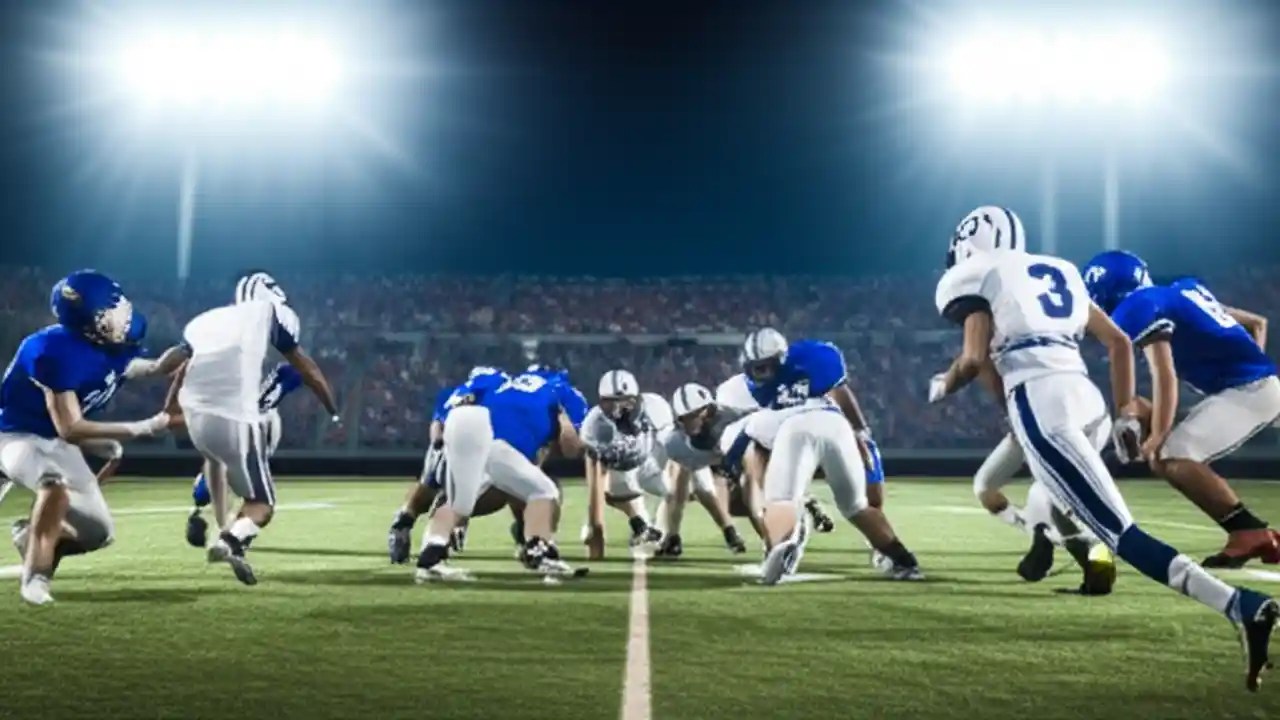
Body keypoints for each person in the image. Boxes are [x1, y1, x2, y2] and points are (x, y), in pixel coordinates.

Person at [931, 205, 1276, 691]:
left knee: (1119, 533)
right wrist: (1122, 411)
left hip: (1039, 397)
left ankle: (1239, 606)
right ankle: (1052, 535)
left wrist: (944, 385)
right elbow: (1116, 344)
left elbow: (972, 358)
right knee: (1068, 501)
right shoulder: (1063, 270)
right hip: (1085, 394)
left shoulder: (975, 276)